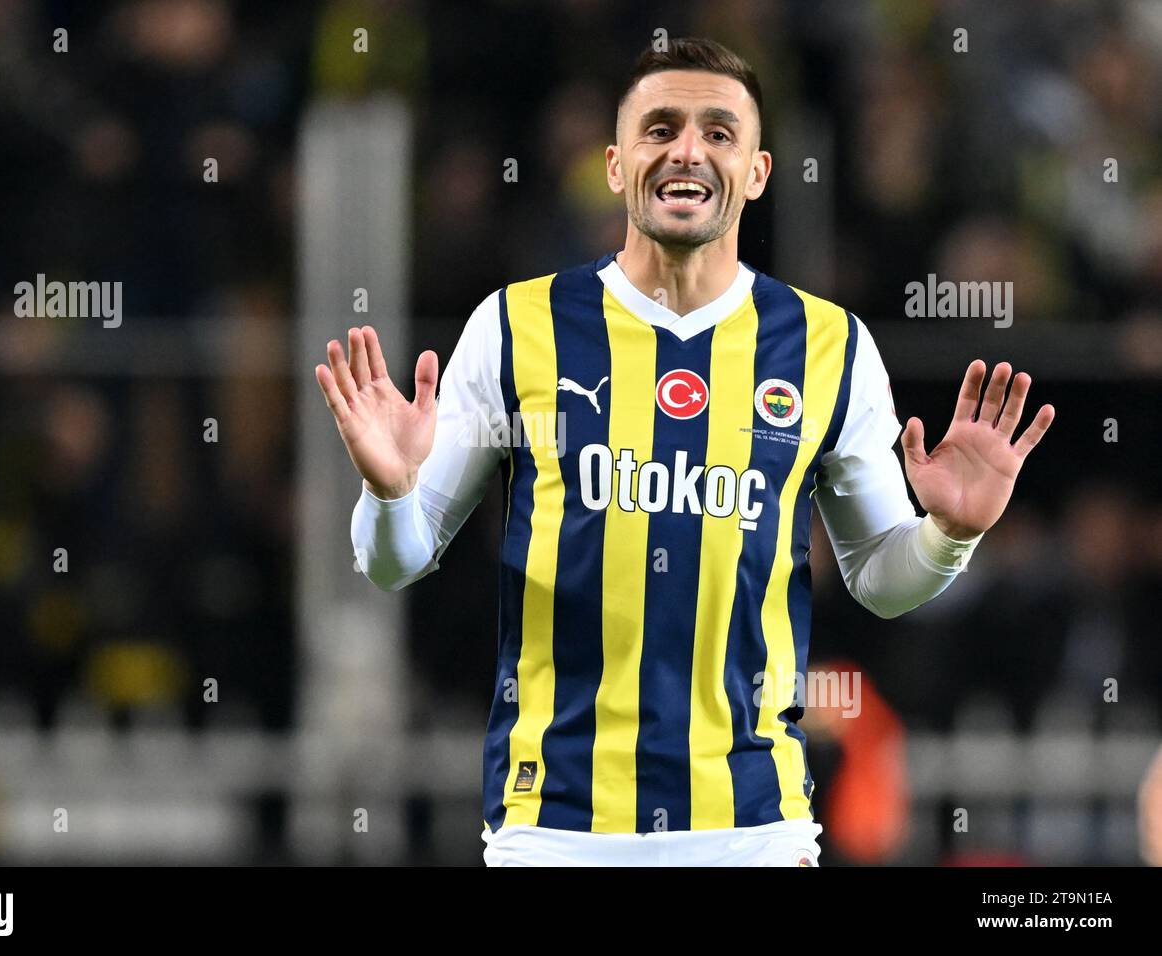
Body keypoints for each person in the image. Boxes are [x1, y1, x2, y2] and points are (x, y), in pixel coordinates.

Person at [314, 37, 1055, 866]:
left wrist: (950, 534)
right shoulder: (516, 328)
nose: (688, 150)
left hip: (755, 828)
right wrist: (387, 494)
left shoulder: (828, 346)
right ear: (616, 164)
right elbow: (396, 562)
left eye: (718, 131)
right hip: (554, 828)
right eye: (660, 128)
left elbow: (882, 581)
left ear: (760, 171)